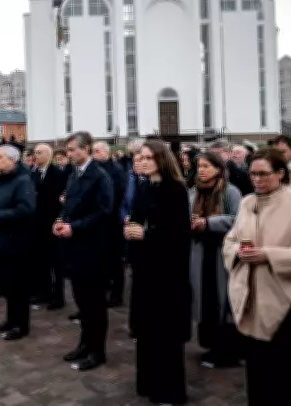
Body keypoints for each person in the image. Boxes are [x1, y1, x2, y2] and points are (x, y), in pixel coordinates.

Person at [224, 148, 291, 406]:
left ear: (281, 174)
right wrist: (239, 251)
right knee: (257, 374)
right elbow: (231, 240)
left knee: (285, 378)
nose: (257, 180)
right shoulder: (248, 203)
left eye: (263, 174)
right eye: (253, 174)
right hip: (252, 300)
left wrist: (268, 255)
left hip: (286, 304)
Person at [125, 140, 191, 404]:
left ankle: (170, 391)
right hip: (145, 270)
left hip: (167, 275)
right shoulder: (144, 186)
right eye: (138, 157)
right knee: (147, 331)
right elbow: (138, 218)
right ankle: (149, 383)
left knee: (166, 334)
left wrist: (146, 234)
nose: (140, 161)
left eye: (147, 157)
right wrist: (131, 227)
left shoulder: (175, 189)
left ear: (160, 159)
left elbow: (178, 235)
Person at [54, 131, 113, 372]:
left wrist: (74, 227)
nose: (68, 155)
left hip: (92, 248)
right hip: (75, 246)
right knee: (81, 301)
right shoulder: (74, 174)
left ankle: (97, 351)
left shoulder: (99, 176)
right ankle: (85, 343)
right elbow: (68, 205)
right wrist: (60, 220)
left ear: (85, 149)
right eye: (67, 151)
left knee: (94, 303)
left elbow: (103, 211)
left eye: (72, 150)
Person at [188, 151, 243, 368]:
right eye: (199, 166)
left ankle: (229, 351)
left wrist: (209, 223)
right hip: (200, 252)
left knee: (224, 300)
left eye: (206, 166)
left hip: (222, 252)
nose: (201, 170)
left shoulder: (230, 192)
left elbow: (238, 219)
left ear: (219, 169)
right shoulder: (193, 193)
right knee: (205, 298)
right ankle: (212, 346)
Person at [0, 145, 36, 339]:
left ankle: (20, 325)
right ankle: (10, 319)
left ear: (13, 160)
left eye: (0, 157)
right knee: (7, 285)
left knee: (18, 287)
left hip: (16, 243)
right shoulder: (4, 180)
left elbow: (26, 209)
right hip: (2, 242)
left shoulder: (22, 181)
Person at [31, 143, 67, 309]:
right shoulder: (34, 174)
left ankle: (58, 296)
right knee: (40, 260)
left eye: (39, 153)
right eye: (35, 153)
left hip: (52, 223)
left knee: (56, 262)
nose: (35, 156)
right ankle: (43, 291)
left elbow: (60, 200)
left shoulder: (58, 174)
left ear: (48, 155)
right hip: (37, 224)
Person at [92, 142, 126, 307]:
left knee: (115, 259)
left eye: (97, 151)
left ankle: (116, 294)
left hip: (112, 221)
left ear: (106, 152)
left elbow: (119, 193)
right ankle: (104, 286)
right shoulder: (94, 169)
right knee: (102, 257)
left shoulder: (116, 170)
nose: (94, 154)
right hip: (99, 221)